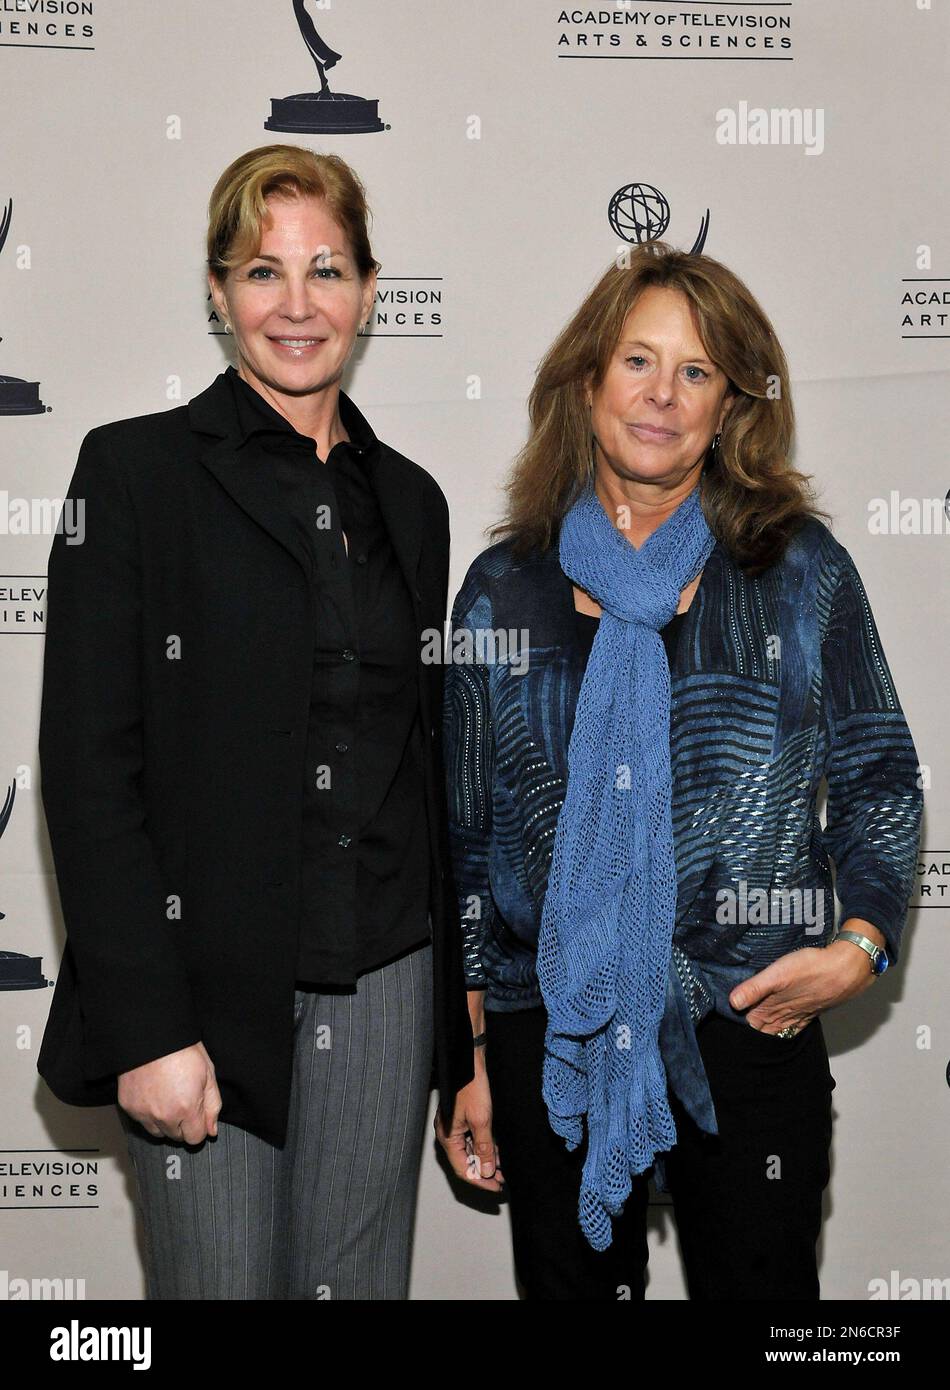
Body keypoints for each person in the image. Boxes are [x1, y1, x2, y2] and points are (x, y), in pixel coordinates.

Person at [439, 243, 923, 1300]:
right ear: (585, 382)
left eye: (695, 372)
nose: (661, 395)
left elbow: (879, 772)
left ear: (729, 406)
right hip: (549, 1033)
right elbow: (463, 839)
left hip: (747, 1023)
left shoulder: (797, 571)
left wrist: (860, 944)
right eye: (636, 362)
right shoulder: (499, 590)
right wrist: (465, 1050)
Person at [37, 144, 472, 1300]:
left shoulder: (413, 502)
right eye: (262, 271)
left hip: (383, 977)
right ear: (220, 292)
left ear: (370, 291)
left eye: (326, 269)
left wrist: (458, 1042)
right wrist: (144, 1026)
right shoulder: (133, 475)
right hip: (200, 987)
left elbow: (422, 763)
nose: (296, 304)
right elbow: (88, 770)